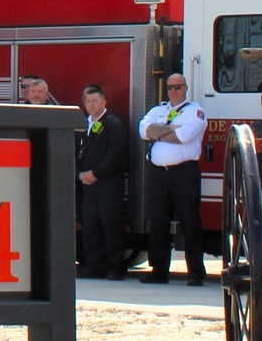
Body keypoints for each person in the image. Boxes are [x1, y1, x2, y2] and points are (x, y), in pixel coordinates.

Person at [138, 73, 207, 285]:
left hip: (184, 173)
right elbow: (143, 130)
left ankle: (195, 272)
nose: (173, 91)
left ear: (186, 88)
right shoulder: (158, 110)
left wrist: (157, 133)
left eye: (178, 87)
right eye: (170, 88)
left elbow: (184, 136)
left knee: (190, 221)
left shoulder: (195, 111)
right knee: (158, 222)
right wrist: (170, 130)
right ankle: (159, 271)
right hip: (159, 174)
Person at [77, 84, 129, 279]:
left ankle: (116, 268)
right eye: (88, 101)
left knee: (111, 226)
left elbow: (115, 153)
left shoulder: (113, 123)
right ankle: (93, 267)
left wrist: (96, 173)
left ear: (104, 102)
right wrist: (80, 174)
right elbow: (75, 151)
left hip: (108, 184)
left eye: (95, 101)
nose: (91, 104)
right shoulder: (83, 123)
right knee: (90, 227)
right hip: (87, 185)